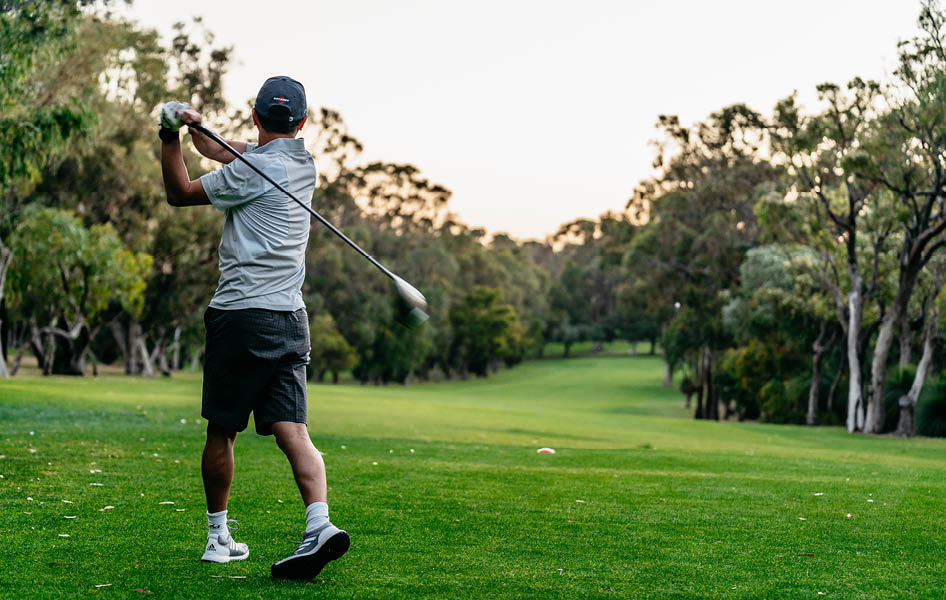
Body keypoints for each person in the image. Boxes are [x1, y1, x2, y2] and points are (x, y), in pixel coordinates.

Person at [158, 75, 349, 580]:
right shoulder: (303, 164)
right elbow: (220, 150)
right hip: (290, 320)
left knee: (222, 430)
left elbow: (179, 193)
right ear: (303, 123)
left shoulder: (251, 172)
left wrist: (165, 134)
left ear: (256, 116)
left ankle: (218, 538)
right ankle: (320, 524)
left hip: (241, 316)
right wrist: (197, 128)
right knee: (294, 430)